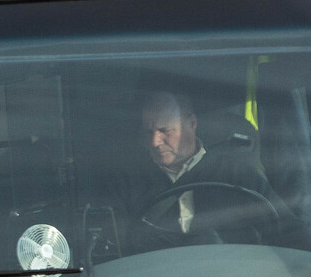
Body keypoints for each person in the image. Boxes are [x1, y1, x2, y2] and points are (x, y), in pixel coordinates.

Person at [121, 87, 283, 247]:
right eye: (149, 132)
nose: (155, 142)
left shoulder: (235, 172)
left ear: (192, 123)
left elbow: (288, 229)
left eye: (165, 131)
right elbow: (115, 244)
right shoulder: (129, 181)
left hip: (233, 270)